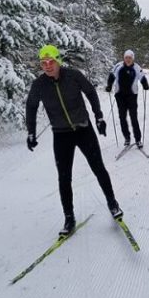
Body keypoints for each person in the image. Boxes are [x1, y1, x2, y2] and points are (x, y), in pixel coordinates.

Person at [26, 45, 123, 236]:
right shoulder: (39, 84)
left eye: (51, 61)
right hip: (61, 134)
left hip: (83, 129)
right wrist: (31, 132)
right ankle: (69, 218)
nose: (47, 66)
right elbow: (31, 106)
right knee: (64, 177)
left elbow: (90, 93)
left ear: (58, 61)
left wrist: (99, 117)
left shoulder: (73, 75)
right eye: (43, 63)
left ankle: (112, 203)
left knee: (98, 168)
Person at [105, 49, 149, 148]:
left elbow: (142, 77)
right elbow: (111, 76)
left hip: (132, 96)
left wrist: (145, 84)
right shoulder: (118, 66)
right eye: (126, 57)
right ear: (124, 58)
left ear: (133, 58)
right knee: (122, 117)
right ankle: (127, 138)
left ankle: (138, 139)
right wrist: (109, 86)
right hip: (120, 96)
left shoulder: (137, 67)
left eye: (130, 58)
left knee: (134, 117)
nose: (128, 59)